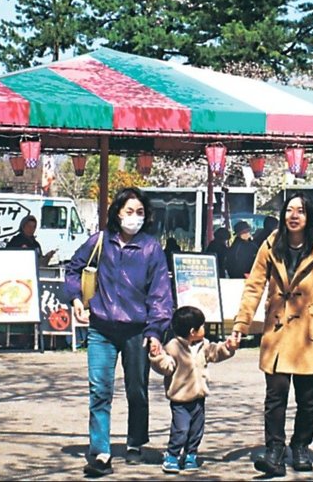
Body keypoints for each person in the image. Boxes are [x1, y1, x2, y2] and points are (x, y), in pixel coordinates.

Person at [65, 187, 174, 478]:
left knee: (136, 389)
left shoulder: (151, 248)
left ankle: (135, 442)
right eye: (129, 211)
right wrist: (76, 299)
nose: (134, 217)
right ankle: (100, 451)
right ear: (117, 213)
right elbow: (73, 269)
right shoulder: (100, 241)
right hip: (101, 328)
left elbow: (160, 293)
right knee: (99, 389)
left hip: (137, 331)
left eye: (140, 212)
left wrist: (155, 331)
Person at [232, 193, 313, 478]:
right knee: (275, 397)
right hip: (278, 331)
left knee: (308, 400)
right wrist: (241, 323)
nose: (294, 216)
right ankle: (274, 452)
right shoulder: (270, 244)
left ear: (309, 216)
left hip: (309, 334)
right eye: (289, 210)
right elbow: (254, 286)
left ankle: (301, 445)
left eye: (300, 211)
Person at [148, 305, 236, 473]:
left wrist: (228, 347)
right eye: (202, 326)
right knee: (181, 429)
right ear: (192, 331)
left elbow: (215, 352)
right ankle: (172, 455)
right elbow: (166, 367)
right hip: (180, 400)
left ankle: (191, 454)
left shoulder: (203, 345)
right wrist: (157, 356)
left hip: (199, 397)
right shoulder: (173, 347)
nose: (204, 328)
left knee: (196, 430)